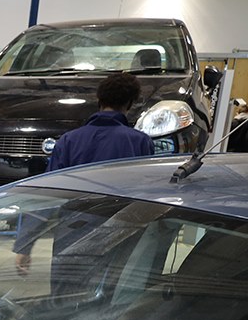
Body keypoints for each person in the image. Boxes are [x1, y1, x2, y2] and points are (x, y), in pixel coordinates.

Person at [14, 72, 154, 287]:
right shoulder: (140, 143)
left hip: (71, 235)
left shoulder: (69, 141)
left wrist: (25, 245)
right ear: (130, 103)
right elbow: (147, 200)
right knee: (106, 302)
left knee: (63, 300)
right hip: (120, 237)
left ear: (99, 100)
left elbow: (47, 196)